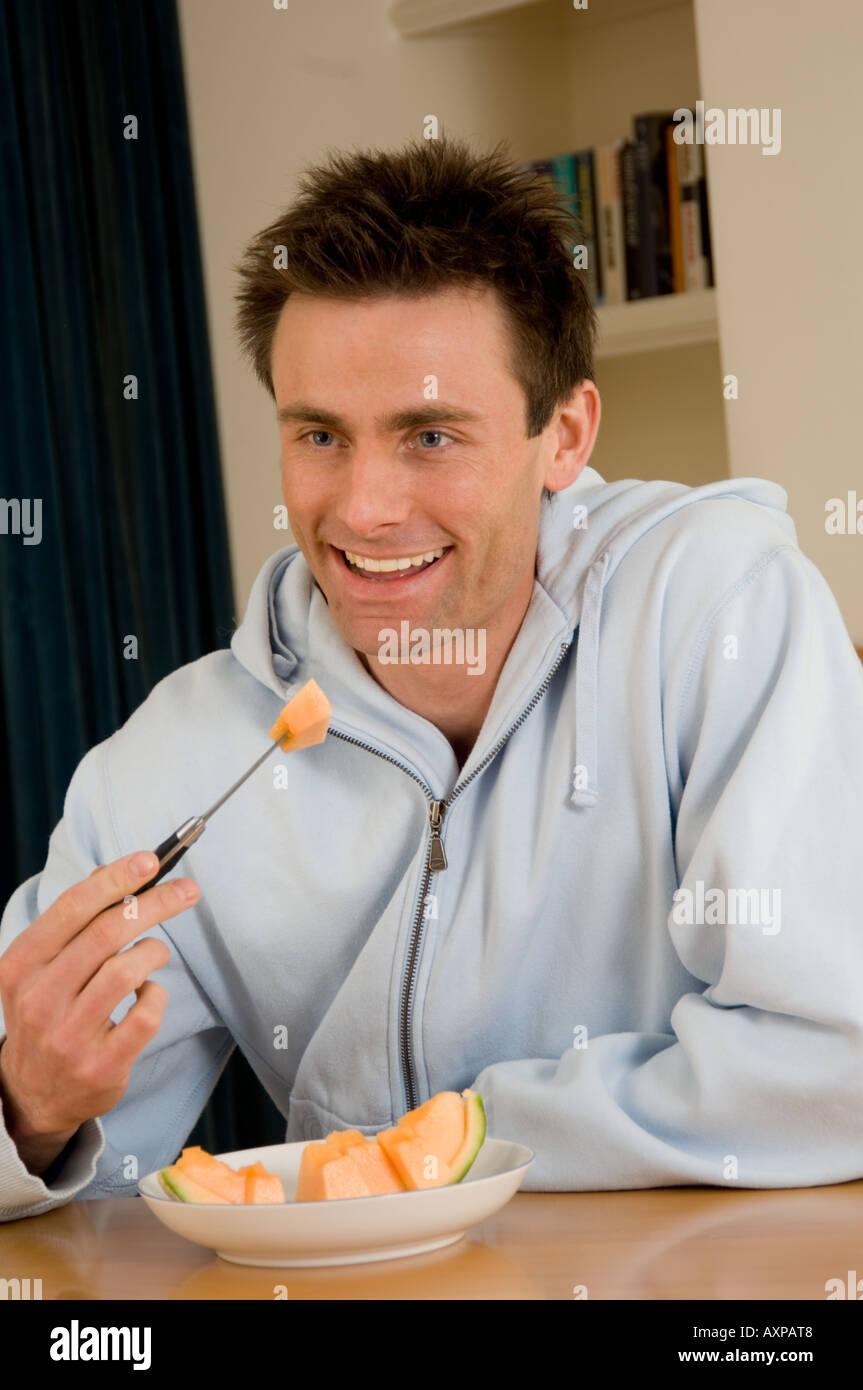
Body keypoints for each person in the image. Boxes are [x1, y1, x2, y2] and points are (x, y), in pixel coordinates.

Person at [2, 135, 863, 1223]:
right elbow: (78, 1164)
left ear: (563, 435)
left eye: (427, 436)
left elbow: (836, 1056)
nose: (361, 509)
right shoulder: (182, 757)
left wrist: (437, 1147)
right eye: (319, 433)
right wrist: (27, 1109)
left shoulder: (718, 611)